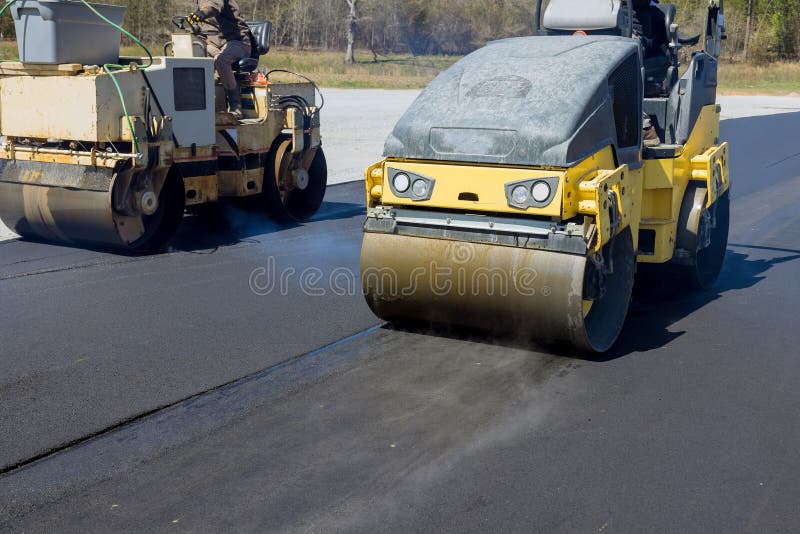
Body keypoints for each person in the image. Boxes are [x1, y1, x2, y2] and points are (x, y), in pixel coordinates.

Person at [187, 0, 252, 118]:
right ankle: (199, 103)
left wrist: (202, 13)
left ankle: (235, 106)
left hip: (238, 41)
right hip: (215, 43)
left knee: (221, 60)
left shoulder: (209, 5)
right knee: (194, 55)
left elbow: (213, 7)